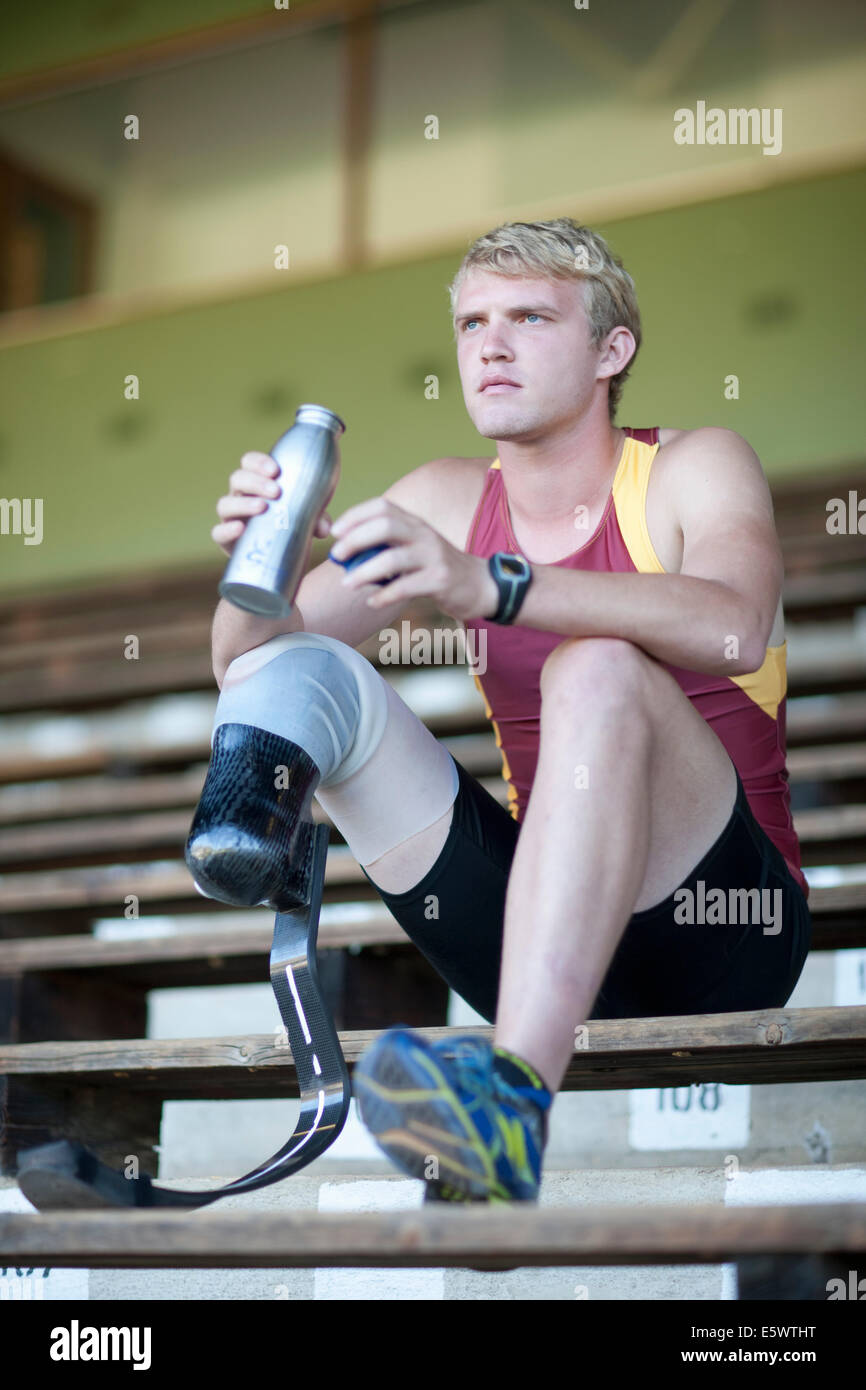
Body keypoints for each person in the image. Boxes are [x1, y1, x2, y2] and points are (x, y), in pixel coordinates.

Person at [186, 217, 811, 1205]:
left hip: (721, 934)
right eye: (473, 322)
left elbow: (735, 627)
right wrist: (265, 552)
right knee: (314, 666)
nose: (490, 344)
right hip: (536, 948)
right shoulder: (443, 495)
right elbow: (251, 665)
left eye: (528, 316)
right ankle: (239, 843)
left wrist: (493, 586)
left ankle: (503, 1104)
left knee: (593, 668)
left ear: (613, 350)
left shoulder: (693, 463)